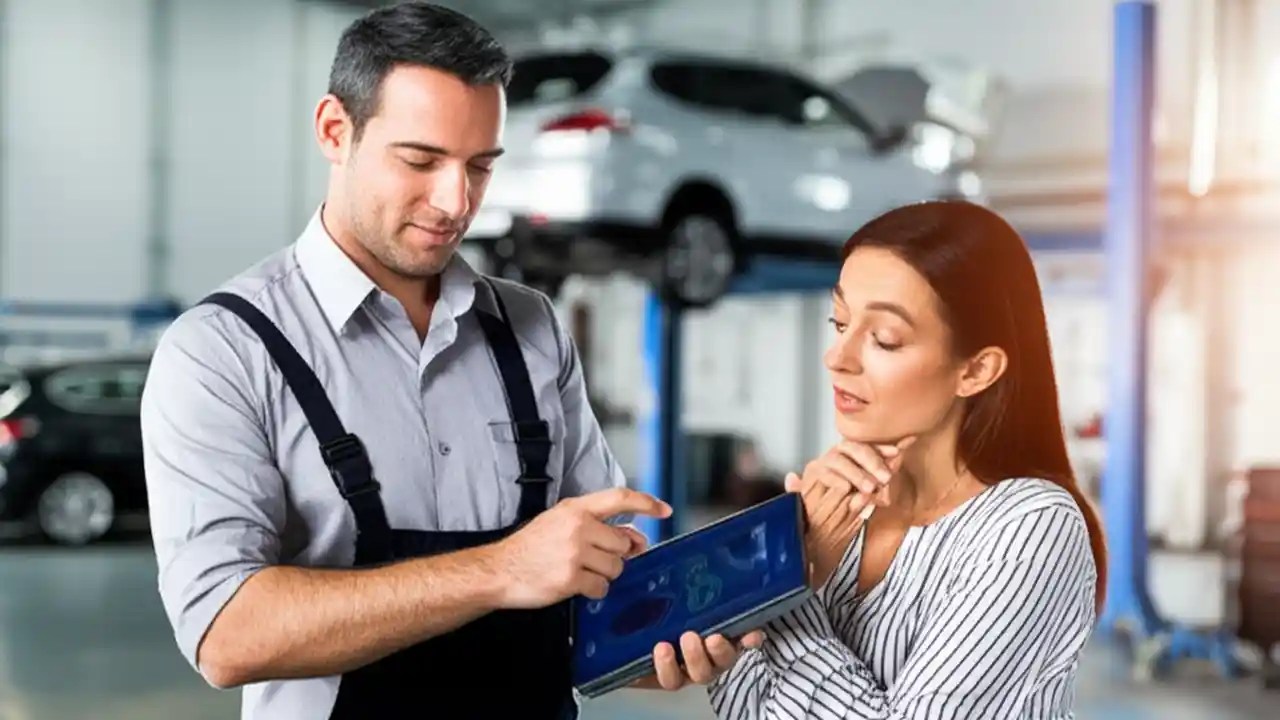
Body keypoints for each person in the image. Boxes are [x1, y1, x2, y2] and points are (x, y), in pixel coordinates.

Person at [139, 4, 752, 718]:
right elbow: (225, 633)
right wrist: (501, 570)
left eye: (480, 166)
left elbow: (592, 601)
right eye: (421, 161)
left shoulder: (531, 330)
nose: (455, 202)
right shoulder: (223, 351)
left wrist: (686, 634)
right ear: (336, 130)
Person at [704, 200, 1108, 718]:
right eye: (840, 322)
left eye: (884, 339)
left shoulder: (1031, 527)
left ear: (977, 370)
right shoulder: (830, 512)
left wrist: (786, 586)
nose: (838, 357)